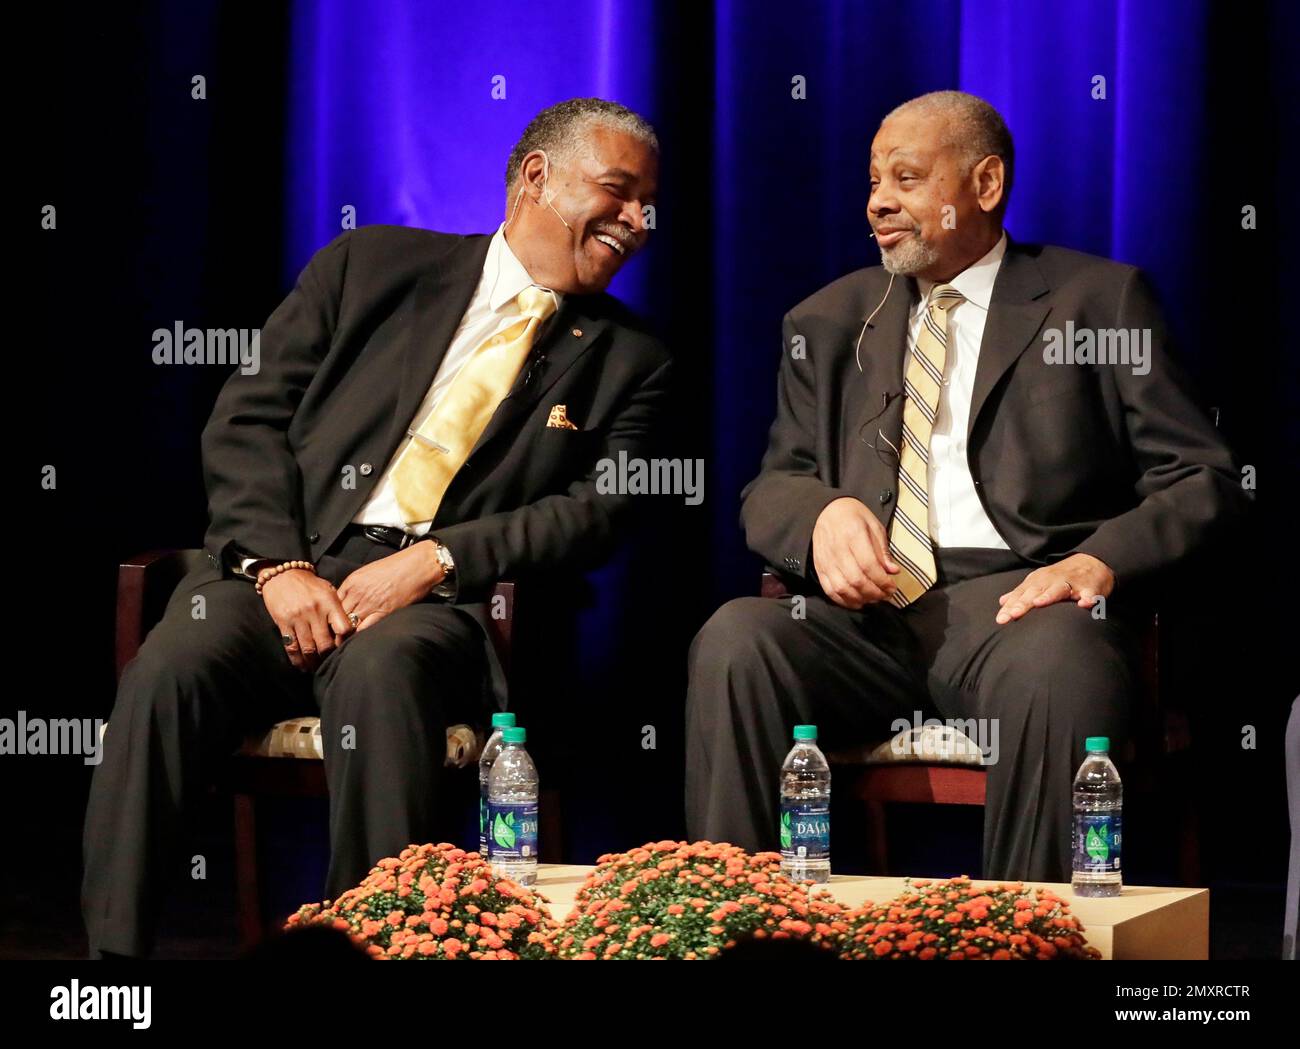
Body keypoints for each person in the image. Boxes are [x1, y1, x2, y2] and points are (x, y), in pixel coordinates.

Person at [83, 97, 669, 958]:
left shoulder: (633, 359)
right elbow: (247, 417)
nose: (636, 220)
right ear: (537, 177)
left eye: (647, 205)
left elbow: (599, 511)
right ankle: (112, 968)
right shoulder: (373, 264)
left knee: (386, 671)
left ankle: (368, 951)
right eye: (618, 192)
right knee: (173, 664)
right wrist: (277, 566)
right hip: (287, 566)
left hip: (434, 600)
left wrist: (437, 560)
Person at [685, 90, 1250, 883]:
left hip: (1025, 608)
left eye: (907, 178)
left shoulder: (1096, 300)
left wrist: (1097, 562)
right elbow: (774, 482)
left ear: (984, 186)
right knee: (737, 639)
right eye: (874, 180)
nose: (878, 201)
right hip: (870, 619)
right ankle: (736, 917)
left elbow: (1203, 480)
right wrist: (822, 513)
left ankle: (1027, 936)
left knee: (1060, 662)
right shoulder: (828, 319)